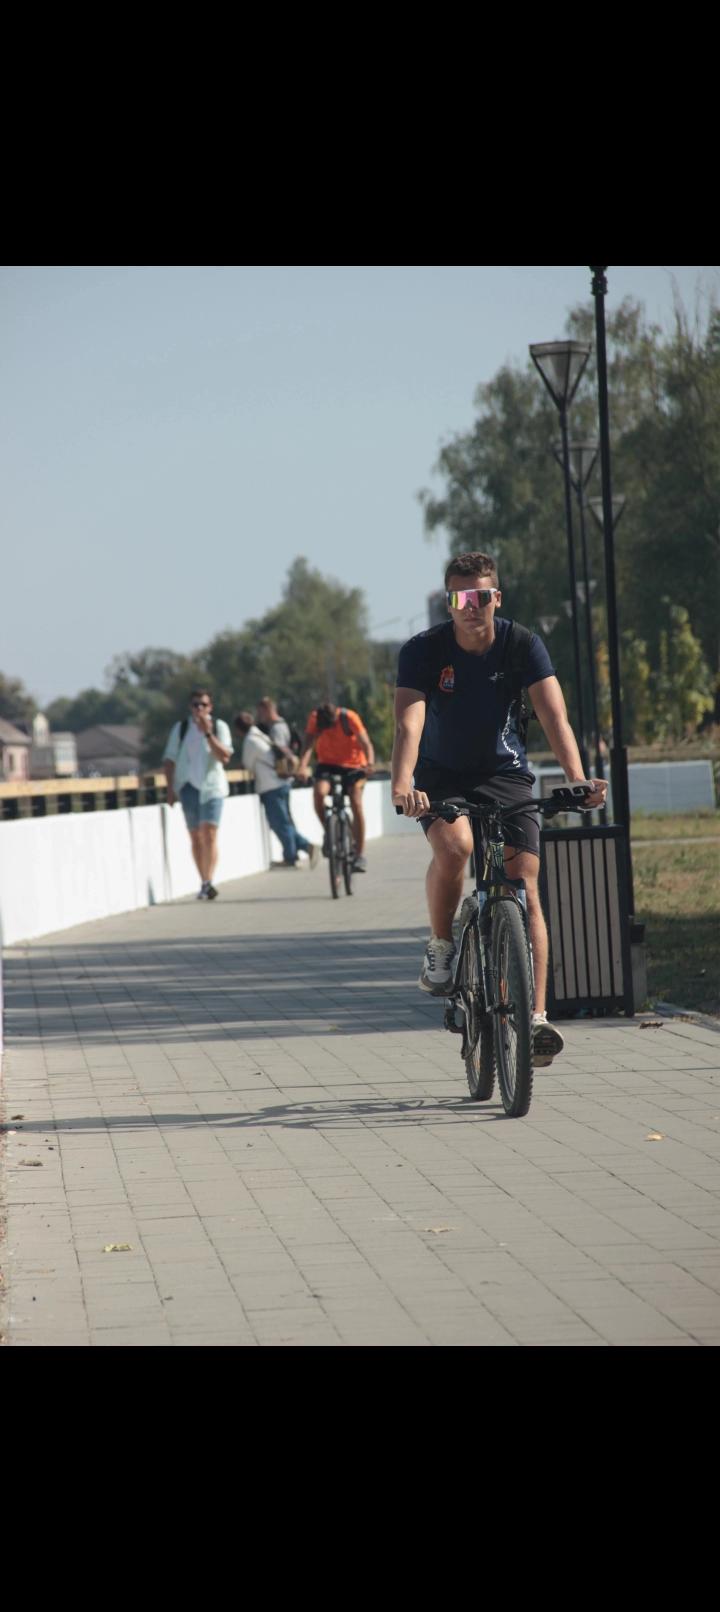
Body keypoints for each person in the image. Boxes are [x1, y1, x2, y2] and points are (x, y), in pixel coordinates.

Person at [391, 552, 608, 1067]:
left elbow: (554, 716)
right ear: (449, 603)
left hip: (506, 775)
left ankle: (534, 1020)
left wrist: (576, 780)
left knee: (524, 883)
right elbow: (409, 725)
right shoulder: (424, 651)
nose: (472, 608)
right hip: (440, 776)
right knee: (457, 845)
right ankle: (442, 945)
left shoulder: (522, 645)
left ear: (497, 598)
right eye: (461, 599)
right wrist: (402, 784)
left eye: (481, 596)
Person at [163, 689, 233, 900]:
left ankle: (208, 881)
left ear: (210, 707)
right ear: (190, 707)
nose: (199, 709)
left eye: (203, 704)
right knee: (196, 836)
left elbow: (225, 757)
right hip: (188, 787)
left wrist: (208, 733)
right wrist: (171, 789)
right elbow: (169, 759)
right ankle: (203, 880)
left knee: (209, 833)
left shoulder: (219, 727)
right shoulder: (181, 728)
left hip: (212, 787)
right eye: (195, 705)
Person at [235, 711, 320, 869]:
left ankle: (301, 850)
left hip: (270, 786)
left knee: (279, 823)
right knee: (284, 821)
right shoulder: (261, 735)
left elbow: (247, 763)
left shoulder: (250, 740)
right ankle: (293, 853)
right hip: (281, 782)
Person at [297, 702, 374, 872]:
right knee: (319, 793)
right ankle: (330, 831)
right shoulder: (315, 718)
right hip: (327, 764)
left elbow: (365, 743)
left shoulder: (349, 718)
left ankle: (359, 854)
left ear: (335, 718)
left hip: (354, 765)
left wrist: (369, 763)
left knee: (356, 802)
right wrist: (302, 765)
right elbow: (308, 743)